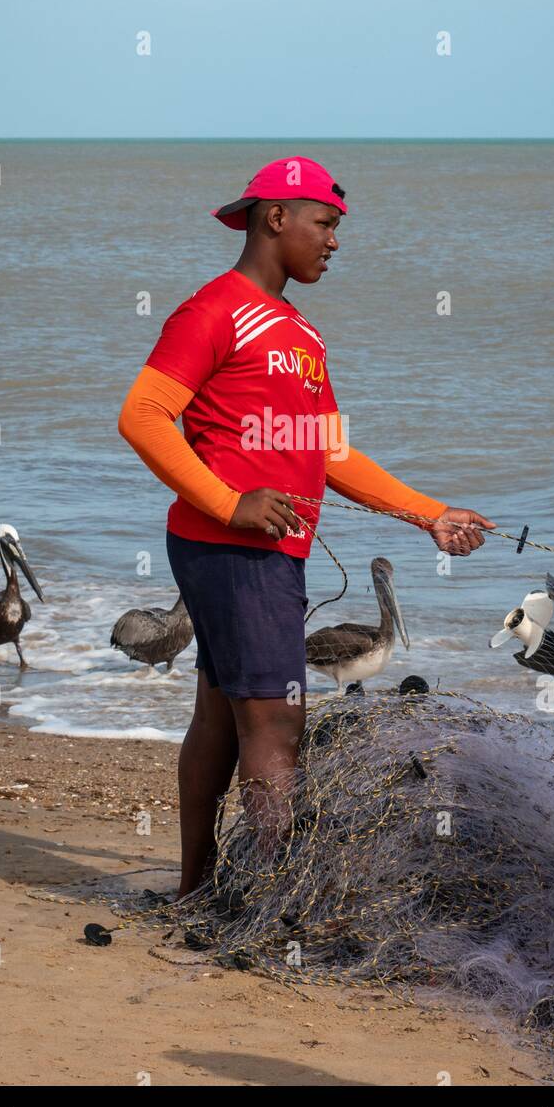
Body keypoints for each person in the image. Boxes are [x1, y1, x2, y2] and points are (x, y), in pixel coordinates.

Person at [118, 156, 494, 897]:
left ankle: (197, 890)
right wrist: (231, 501)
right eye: (325, 223)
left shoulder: (303, 335)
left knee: (223, 721)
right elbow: (143, 416)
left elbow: (332, 454)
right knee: (276, 727)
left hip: (262, 555)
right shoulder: (214, 310)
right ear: (276, 217)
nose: (334, 241)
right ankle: (272, 900)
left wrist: (430, 515)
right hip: (231, 548)